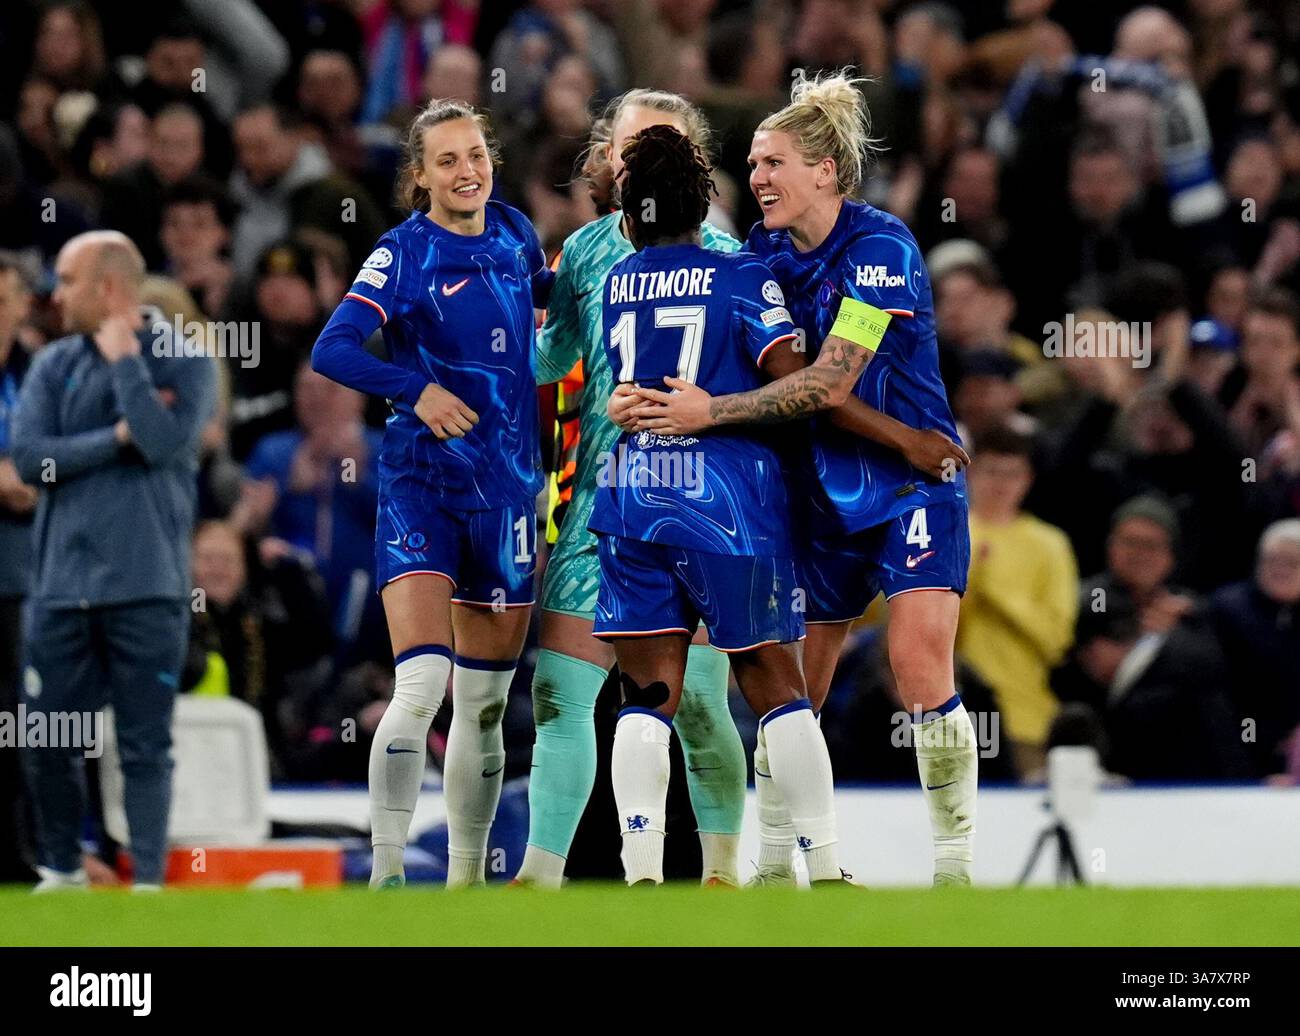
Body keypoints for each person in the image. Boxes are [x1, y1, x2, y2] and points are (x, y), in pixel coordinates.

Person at [617, 71, 977, 886]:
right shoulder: (763, 256)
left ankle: (954, 869)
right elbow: (721, 342)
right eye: (750, 164)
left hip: (911, 489)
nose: (757, 179)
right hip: (818, 495)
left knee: (922, 671)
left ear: (826, 171)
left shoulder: (880, 249)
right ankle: (780, 872)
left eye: (773, 163)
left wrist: (713, 414)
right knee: (793, 697)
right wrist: (633, 391)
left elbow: (828, 383)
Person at [592, 124, 843, 886]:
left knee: (648, 694)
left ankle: (640, 875)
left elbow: (631, 389)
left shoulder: (616, 283)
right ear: (705, 204)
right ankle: (826, 870)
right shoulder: (739, 277)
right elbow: (795, 384)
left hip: (633, 494)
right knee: (774, 686)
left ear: (630, 217)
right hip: (727, 497)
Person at [310, 99, 550, 889]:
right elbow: (334, 347)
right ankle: (384, 877)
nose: (467, 170)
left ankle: (463, 882)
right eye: (447, 160)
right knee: (419, 684)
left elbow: (546, 304)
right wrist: (415, 389)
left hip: (511, 492)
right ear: (419, 176)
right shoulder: (403, 252)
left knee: (483, 705)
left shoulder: (515, 233)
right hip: (423, 486)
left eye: (476, 154)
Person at [514, 90, 750, 889]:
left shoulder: (729, 255)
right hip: (601, 503)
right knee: (557, 693)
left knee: (698, 705)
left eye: (664, 144)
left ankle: (721, 870)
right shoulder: (580, 253)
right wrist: (499, 311)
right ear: (606, 161)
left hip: (700, 501)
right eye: (630, 144)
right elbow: (550, 363)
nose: (642, 158)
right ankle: (540, 875)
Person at [10, 230, 216, 890]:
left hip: (146, 585)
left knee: (143, 745)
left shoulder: (183, 360)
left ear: (106, 287)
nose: (55, 295)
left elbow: (158, 443)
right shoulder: (51, 364)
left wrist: (127, 363)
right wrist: (115, 436)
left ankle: (149, 883)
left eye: (66, 281)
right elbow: (30, 460)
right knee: (46, 741)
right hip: (61, 588)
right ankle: (63, 869)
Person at [958, 424, 1078, 779]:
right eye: (992, 471)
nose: (1001, 483)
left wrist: (994, 589)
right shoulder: (946, 533)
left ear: (1028, 479)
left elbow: (1056, 642)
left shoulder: (1050, 544)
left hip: (1024, 719)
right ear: (971, 472)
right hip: (947, 715)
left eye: (1013, 474)